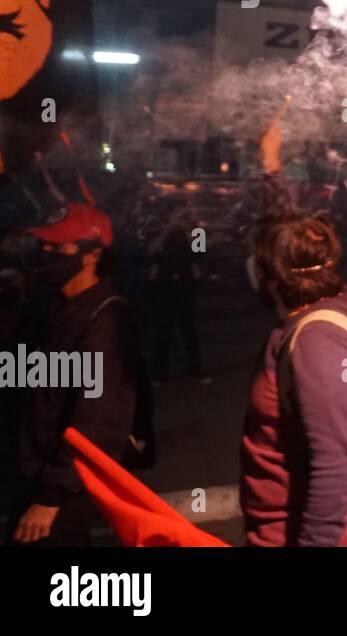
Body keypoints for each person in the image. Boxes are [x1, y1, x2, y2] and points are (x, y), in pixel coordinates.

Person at [239, 115, 347, 547]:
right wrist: (270, 162)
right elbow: (283, 228)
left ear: (270, 271)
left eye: (253, 257)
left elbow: (336, 467)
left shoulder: (317, 343)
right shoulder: (328, 294)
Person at [7, 203, 140, 546]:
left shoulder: (106, 321)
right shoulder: (51, 307)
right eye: (44, 244)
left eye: (58, 246)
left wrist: (51, 497)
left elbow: (97, 422)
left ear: (92, 254)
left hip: (62, 490)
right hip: (29, 471)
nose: (47, 252)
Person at [147, 203, 206, 382]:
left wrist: (188, 229)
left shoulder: (197, 232)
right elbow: (152, 251)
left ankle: (194, 366)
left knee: (187, 325)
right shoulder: (160, 231)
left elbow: (200, 252)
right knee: (164, 325)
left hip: (186, 281)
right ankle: (159, 368)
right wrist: (168, 229)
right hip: (164, 281)